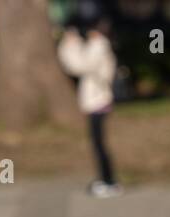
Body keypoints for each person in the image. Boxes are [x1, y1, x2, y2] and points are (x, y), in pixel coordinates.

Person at [57, 7, 121, 198]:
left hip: (99, 101)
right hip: (95, 100)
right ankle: (105, 179)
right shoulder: (97, 45)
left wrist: (70, 45)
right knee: (97, 144)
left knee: (99, 144)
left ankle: (109, 181)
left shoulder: (99, 45)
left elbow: (81, 66)